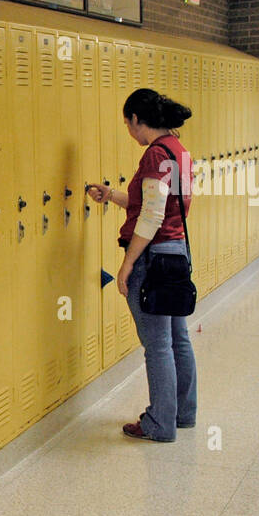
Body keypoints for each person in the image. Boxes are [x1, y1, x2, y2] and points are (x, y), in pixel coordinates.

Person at [87, 88, 197, 442]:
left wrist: (127, 263)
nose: (129, 131)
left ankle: (159, 423)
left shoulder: (154, 155)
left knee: (157, 344)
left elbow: (151, 216)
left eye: (128, 124)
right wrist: (114, 195)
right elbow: (159, 203)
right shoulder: (178, 150)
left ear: (137, 119)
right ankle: (182, 413)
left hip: (153, 257)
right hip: (177, 252)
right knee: (177, 339)